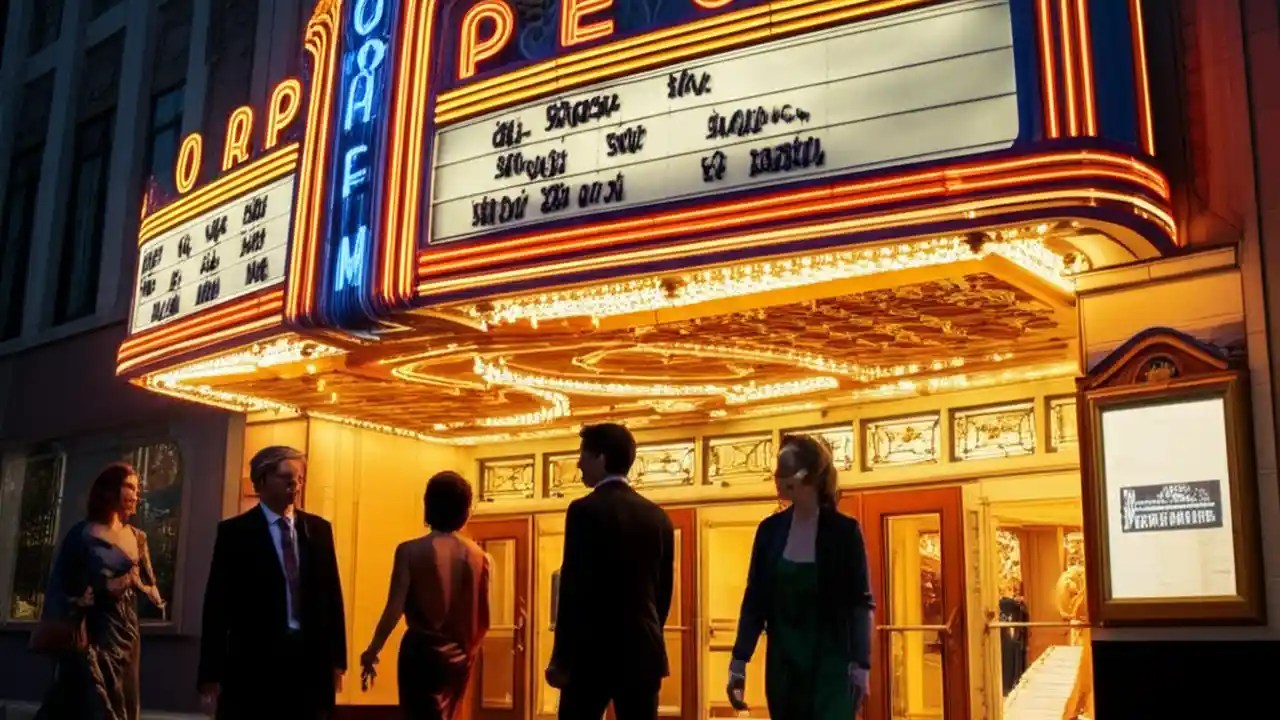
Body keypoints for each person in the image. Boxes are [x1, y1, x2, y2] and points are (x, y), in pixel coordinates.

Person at [727, 434, 874, 720]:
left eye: (783, 469)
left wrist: (861, 664)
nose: (775, 476)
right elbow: (755, 600)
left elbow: (860, 602)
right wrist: (739, 659)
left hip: (831, 665)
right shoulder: (770, 531)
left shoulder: (843, 532)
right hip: (784, 666)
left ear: (806, 476)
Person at [197, 446, 347, 720]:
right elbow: (217, 605)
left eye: (300, 479)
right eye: (287, 478)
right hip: (256, 662)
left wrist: (338, 659)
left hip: (309, 661)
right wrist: (210, 673)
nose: (295, 485)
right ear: (263, 479)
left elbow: (332, 596)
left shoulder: (318, 530)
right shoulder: (236, 533)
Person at [546, 423, 675, 720]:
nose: (579, 463)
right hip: (643, 652)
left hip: (591, 652)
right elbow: (663, 592)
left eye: (583, 455)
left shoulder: (583, 511)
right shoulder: (658, 517)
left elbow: (573, 588)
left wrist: (561, 658)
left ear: (601, 458)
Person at [32, 462, 165, 720]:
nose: (135, 494)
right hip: (92, 636)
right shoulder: (81, 536)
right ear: (109, 490)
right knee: (93, 704)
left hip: (126, 636)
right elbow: (58, 588)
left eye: (137, 489)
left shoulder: (138, 538)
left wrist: (151, 594)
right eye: (129, 487)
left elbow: (149, 586)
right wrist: (82, 598)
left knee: (122, 702)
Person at [359, 471, 492, 720]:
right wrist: (466, 653)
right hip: (459, 655)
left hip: (420, 654)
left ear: (429, 505)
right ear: (464, 510)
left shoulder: (409, 551)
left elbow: (394, 609)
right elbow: (484, 620)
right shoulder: (479, 556)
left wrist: (373, 649)